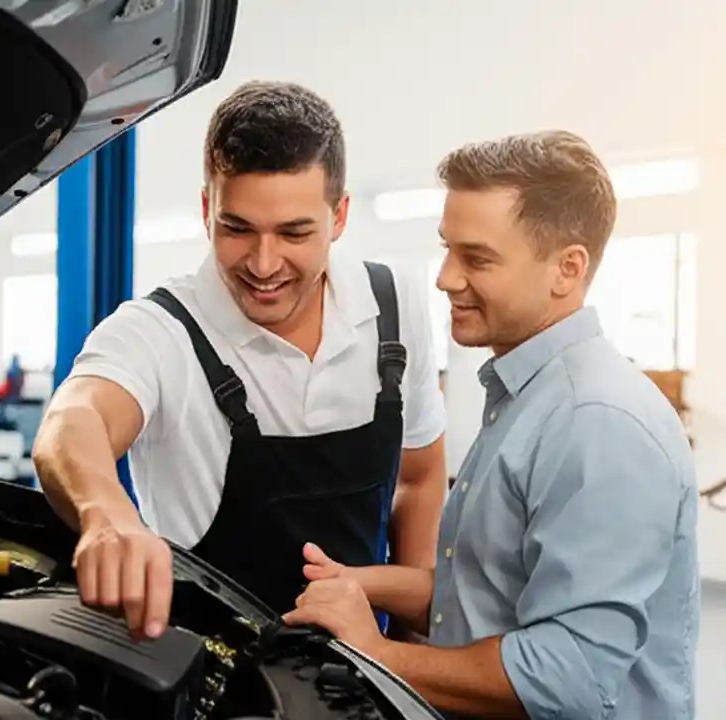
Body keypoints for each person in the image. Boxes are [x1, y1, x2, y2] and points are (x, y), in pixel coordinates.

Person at [283, 130, 699, 720]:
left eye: (476, 259)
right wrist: (357, 583)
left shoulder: (597, 424)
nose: (446, 278)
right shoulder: (526, 399)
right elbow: (480, 599)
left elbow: (568, 677)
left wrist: (376, 653)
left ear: (567, 269)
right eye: (448, 249)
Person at [32, 81, 447, 642]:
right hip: (208, 668)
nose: (264, 263)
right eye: (237, 229)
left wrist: (412, 633)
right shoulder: (160, 330)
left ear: (339, 216)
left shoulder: (393, 309)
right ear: (208, 209)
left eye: (294, 232)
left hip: (361, 668)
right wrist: (106, 515)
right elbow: (73, 420)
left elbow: (418, 478)